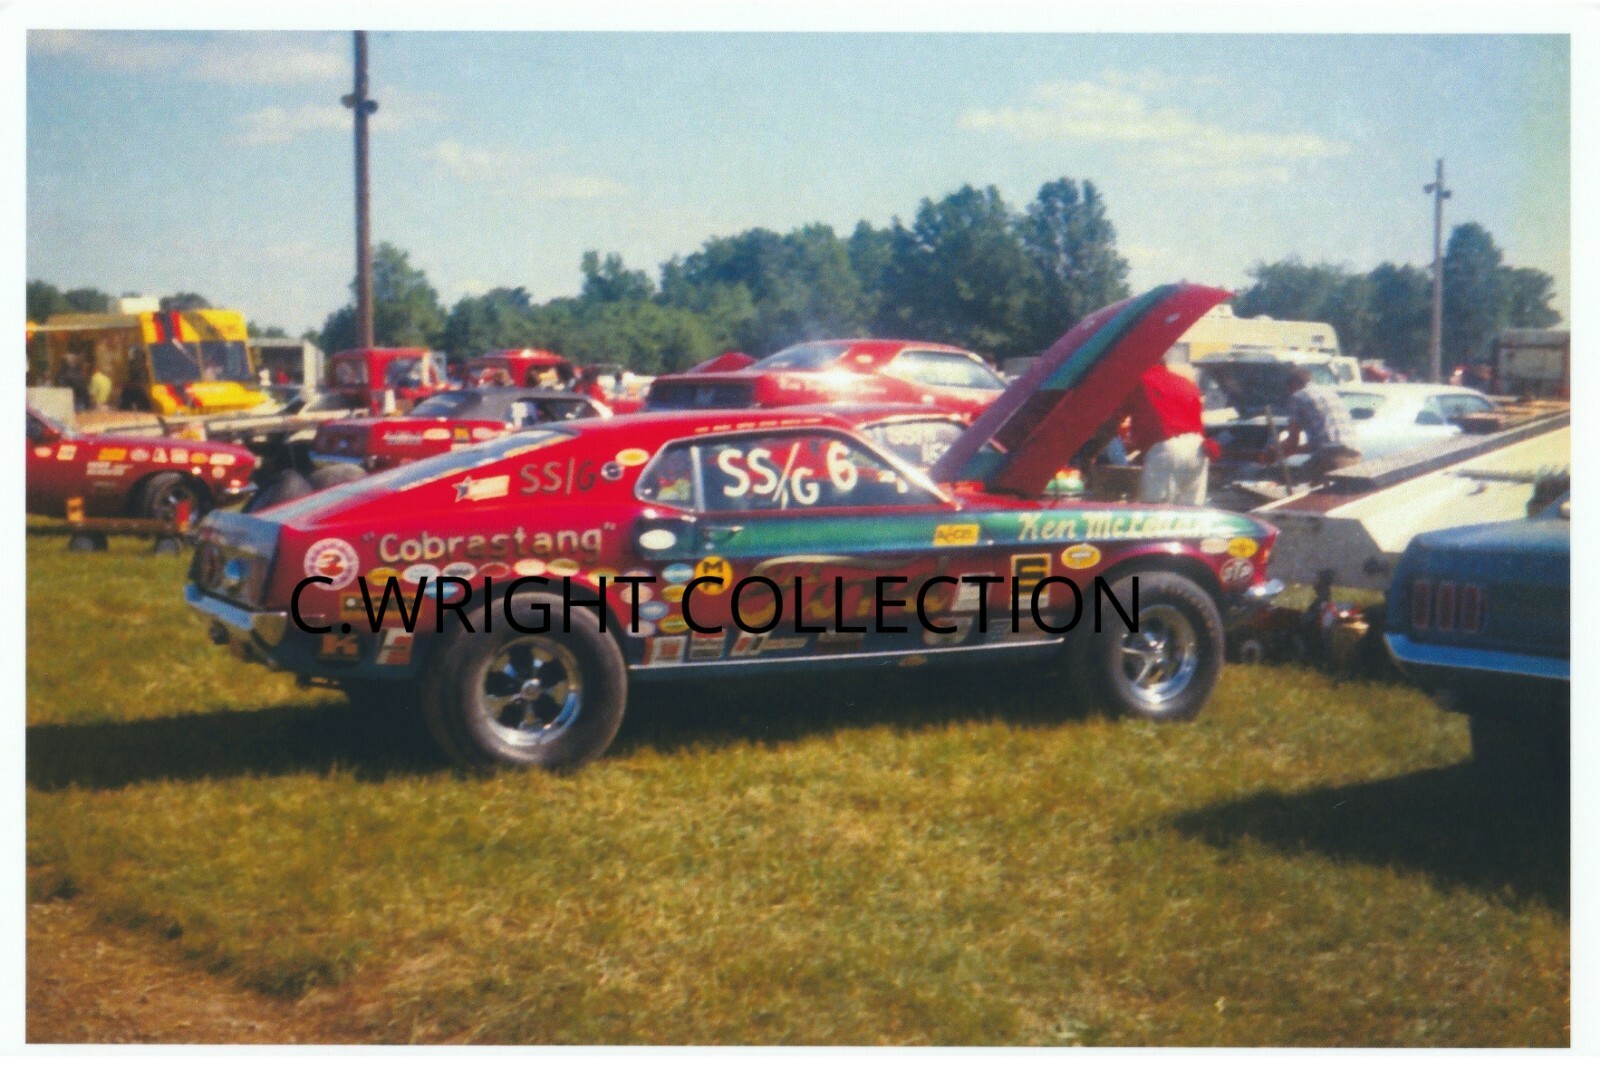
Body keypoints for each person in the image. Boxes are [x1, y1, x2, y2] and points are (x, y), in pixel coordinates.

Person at [1115, 360, 1210, 505]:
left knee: (1153, 510)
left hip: (1166, 449)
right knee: (1191, 512)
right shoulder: (1184, 381)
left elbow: (1115, 417)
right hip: (1199, 449)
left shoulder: (1139, 381)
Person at [1268, 366, 1361, 480]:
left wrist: (1277, 452)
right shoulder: (1329, 392)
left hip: (1332, 458)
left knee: (1297, 481)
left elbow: (1293, 443)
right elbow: (1321, 444)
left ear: (1292, 385)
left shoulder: (1297, 398)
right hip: (1355, 455)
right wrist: (1284, 449)